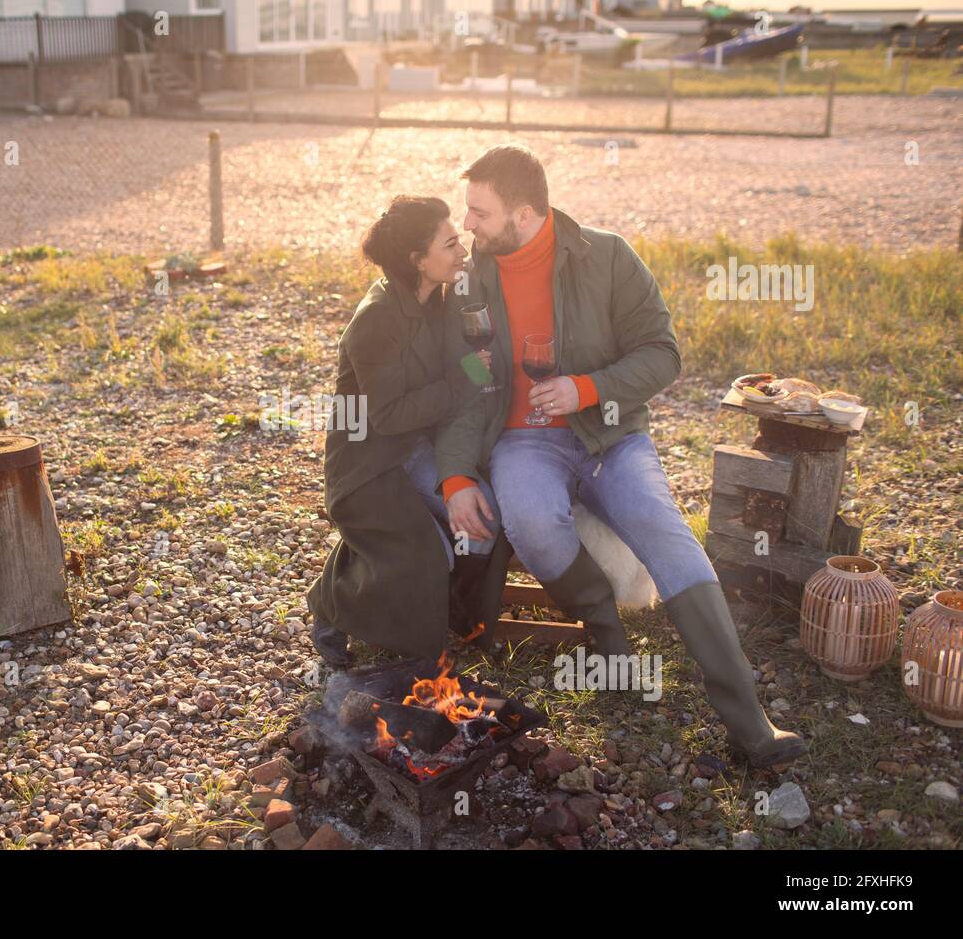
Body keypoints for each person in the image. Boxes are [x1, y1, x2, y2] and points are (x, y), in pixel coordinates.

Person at [434, 145, 805, 768]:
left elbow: (664, 353)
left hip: (610, 435)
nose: (467, 225)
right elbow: (468, 382)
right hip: (524, 440)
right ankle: (608, 637)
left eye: (478, 212)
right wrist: (453, 472)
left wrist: (585, 389)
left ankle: (750, 722)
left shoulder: (606, 256)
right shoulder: (476, 276)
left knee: (667, 535)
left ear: (523, 214)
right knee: (530, 520)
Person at [306, 195, 504, 668]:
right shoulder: (376, 321)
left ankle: (455, 612)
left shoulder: (436, 300)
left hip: (416, 449)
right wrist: (464, 378)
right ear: (418, 260)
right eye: (451, 243)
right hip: (368, 466)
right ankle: (332, 606)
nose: (463, 251)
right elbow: (390, 416)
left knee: (483, 526)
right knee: (431, 559)